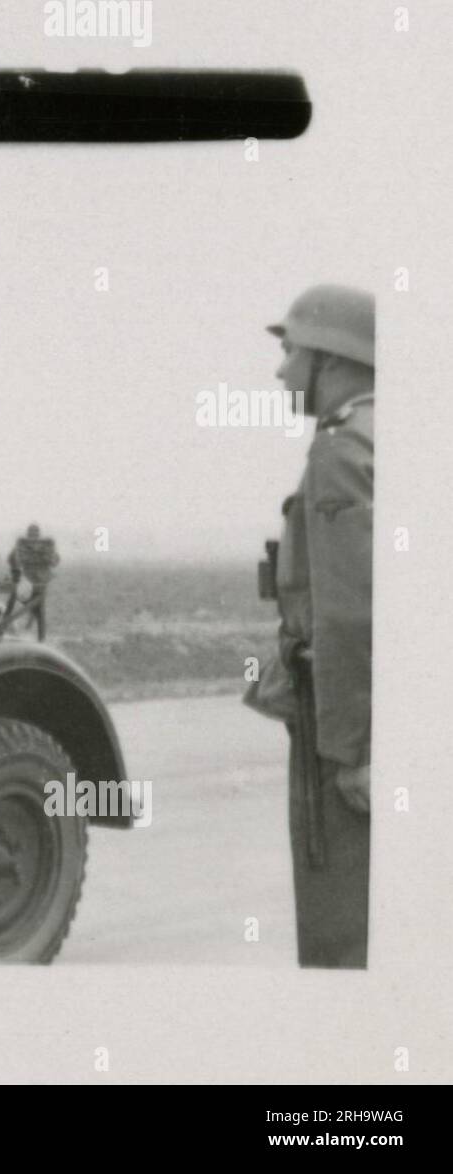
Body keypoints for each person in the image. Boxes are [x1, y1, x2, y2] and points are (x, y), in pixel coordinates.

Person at [245, 284, 374, 969]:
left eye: (290, 349)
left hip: (341, 726)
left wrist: (351, 751)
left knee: (341, 931)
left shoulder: (341, 451)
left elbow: (351, 612)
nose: (280, 369)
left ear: (334, 358)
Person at [9, 523, 60, 641]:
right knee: (33, 606)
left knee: (38, 608)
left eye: (35, 534)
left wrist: (50, 557)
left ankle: (40, 636)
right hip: (31, 580)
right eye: (32, 534)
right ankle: (37, 632)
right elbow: (13, 559)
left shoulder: (44, 545)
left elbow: (55, 561)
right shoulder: (24, 544)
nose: (33, 536)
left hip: (38, 581)